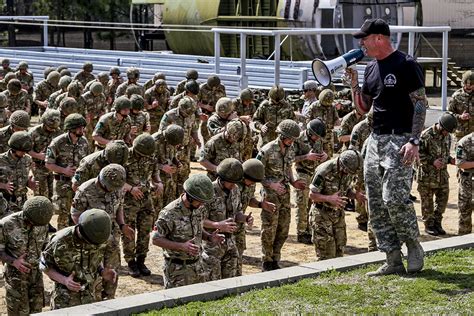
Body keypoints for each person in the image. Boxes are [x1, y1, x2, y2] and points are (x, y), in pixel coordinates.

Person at [347, 18, 427, 275]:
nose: (362, 43)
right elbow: (363, 108)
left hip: (400, 139)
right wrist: (354, 84)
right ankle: (392, 258)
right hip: (376, 139)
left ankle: (413, 246)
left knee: (394, 198)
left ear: (379, 38)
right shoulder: (371, 68)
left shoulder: (406, 64)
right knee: (376, 202)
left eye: (365, 38)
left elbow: (420, 104)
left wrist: (414, 141)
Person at [71, 164, 133, 300]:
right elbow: (76, 215)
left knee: (113, 274)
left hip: (112, 238)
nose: (113, 191)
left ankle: (110, 300)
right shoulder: (85, 190)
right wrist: (89, 233)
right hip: (92, 242)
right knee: (95, 277)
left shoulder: (117, 187)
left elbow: (119, 207)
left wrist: (122, 225)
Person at [152, 174, 224, 289]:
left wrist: (209, 237)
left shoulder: (198, 209)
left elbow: (198, 229)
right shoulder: (169, 213)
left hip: (197, 266)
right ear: (189, 197)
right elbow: (155, 239)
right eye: (199, 201)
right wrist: (181, 246)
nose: (202, 204)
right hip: (177, 271)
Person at [40, 209, 116, 309]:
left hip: (91, 293)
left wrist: (102, 271)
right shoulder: (59, 241)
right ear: (80, 230)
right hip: (66, 298)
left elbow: (96, 256)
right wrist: (65, 280)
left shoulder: (100, 236)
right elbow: (45, 266)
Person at [256, 119, 306, 271]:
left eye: (293, 139)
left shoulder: (290, 149)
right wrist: (271, 184)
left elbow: (289, 168)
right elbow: (255, 173)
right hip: (270, 194)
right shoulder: (267, 150)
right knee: (269, 227)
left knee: (283, 228)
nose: (292, 141)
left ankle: (276, 258)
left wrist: (293, 182)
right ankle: (266, 259)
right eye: (290, 138)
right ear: (281, 136)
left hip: (284, 193)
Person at [0, 196, 53, 315]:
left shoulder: (42, 220)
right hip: (15, 278)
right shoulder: (6, 224)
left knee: (37, 312)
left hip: (36, 276)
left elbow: (45, 245)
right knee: (19, 312)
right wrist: (14, 261)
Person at [202, 158, 253, 280]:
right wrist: (217, 225)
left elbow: (236, 213)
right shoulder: (208, 192)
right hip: (211, 246)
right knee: (212, 283)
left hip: (231, 243)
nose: (234, 186)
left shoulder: (235, 190)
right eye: (231, 183)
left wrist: (245, 218)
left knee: (231, 281)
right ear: (222, 179)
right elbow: (198, 219)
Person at [309, 150, 365, 260]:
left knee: (340, 253)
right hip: (322, 216)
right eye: (347, 170)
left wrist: (355, 196)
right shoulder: (324, 170)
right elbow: (312, 195)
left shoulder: (347, 172)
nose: (348, 173)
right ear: (341, 163)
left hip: (338, 216)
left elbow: (346, 190)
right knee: (326, 255)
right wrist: (329, 198)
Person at [121, 134, 162, 278]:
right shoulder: (124, 156)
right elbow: (117, 180)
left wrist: (158, 183)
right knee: (129, 231)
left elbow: (155, 175)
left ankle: (141, 259)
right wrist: (131, 189)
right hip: (128, 200)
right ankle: (131, 261)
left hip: (145, 199)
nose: (144, 156)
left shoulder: (151, 156)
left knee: (145, 230)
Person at [46, 113, 89, 230]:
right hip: (62, 185)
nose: (82, 129)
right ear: (71, 128)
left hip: (79, 185)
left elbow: (86, 162)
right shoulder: (57, 142)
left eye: (83, 127)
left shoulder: (84, 142)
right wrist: (64, 170)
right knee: (64, 218)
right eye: (79, 127)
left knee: (78, 216)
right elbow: (48, 164)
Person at [417, 112, 457, 236]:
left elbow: (444, 153)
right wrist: (432, 161)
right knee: (427, 204)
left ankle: (437, 223)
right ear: (440, 125)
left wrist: (450, 160)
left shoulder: (447, 136)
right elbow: (418, 156)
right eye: (445, 131)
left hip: (442, 176)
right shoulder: (426, 135)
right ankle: (429, 225)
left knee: (442, 201)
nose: (447, 134)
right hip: (427, 177)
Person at [235, 159, 276, 275]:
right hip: (227, 225)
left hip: (240, 226)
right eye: (251, 181)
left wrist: (260, 204)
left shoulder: (250, 185)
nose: (253, 184)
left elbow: (249, 200)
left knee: (238, 260)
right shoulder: (233, 185)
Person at [293, 118, 328, 244]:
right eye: (315, 136)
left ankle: (310, 228)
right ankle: (302, 232)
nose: (317, 139)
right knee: (301, 204)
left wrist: (325, 156)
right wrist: (306, 157)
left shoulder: (318, 139)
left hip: (314, 173)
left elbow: (323, 152)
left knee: (312, 203)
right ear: (309, 131)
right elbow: (290, 158)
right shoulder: (298, 138)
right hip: (302, 173)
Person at [0, 131, 36, 214]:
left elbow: (26, 176)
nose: (24, 153)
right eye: (22, 151)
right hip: (4, 203)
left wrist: (29, 183)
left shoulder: (27, 159)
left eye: (26, 151)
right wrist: (3, 186)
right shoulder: (1, 160)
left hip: (22, 203)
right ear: (14, 148)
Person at [253, 85, 296, 149]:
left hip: (282, 142)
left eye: (278, 101)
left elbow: (293, 121)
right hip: (266, 141)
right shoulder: (264, 105)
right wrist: (261, 126)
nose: (276, 102)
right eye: (274, 101)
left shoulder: (287, 106)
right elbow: (255, 120)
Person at [448, 70, 473, 144]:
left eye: (471, 84)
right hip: (460, 135)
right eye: (465, 83)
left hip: (473, 136)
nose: (468, 86)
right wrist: (460, 117)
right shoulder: (456, 96)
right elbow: (448, 114)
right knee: (460, 155)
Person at [455, 132, 473, 235]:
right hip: (467, 183)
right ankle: (464, 241)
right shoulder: (464, 142)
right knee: (465, 211)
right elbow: (460, 163)